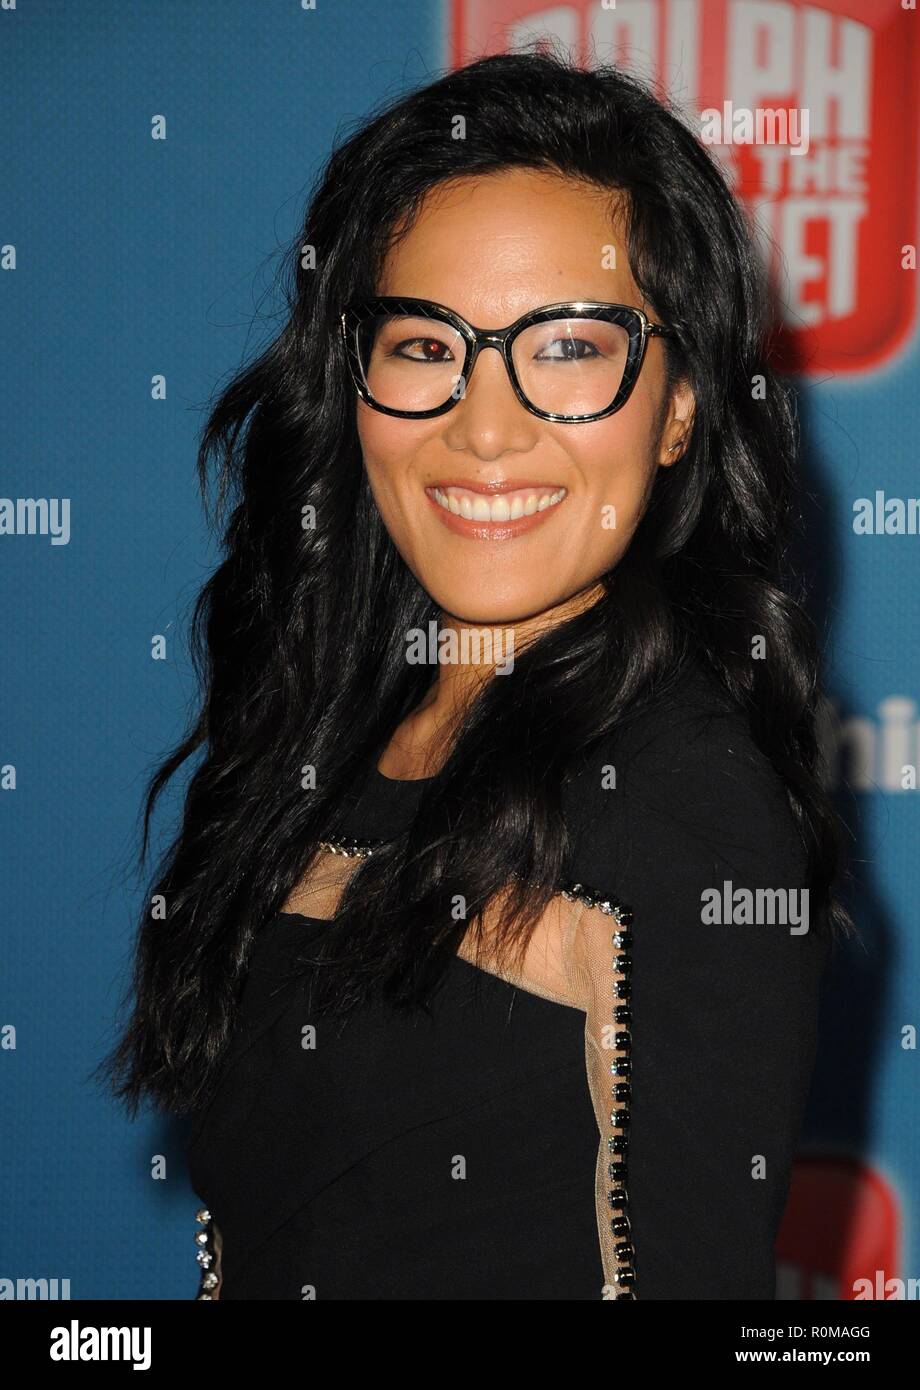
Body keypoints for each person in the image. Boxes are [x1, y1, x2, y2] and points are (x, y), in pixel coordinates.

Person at [99, 49, 853, 1301]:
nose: (482, 425)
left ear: (677, 406)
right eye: (422, 342)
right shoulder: (323, 731)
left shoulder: (683, 799)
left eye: (565, 347)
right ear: (349, 383)